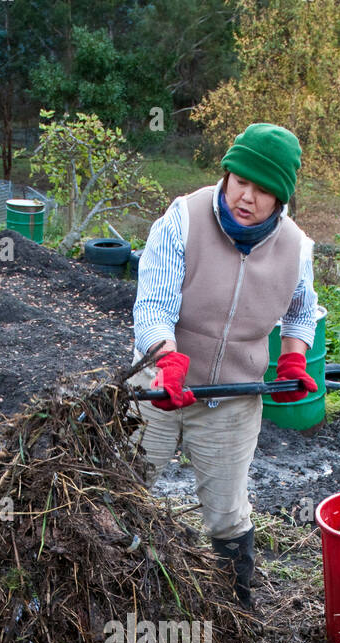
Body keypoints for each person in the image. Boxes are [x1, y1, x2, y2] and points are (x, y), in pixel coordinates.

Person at [131, 122, 318, 608]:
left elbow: (302, 311)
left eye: (263, 190)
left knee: (227, 515)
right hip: (159, 385)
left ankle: (235, 609)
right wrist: (166, 361)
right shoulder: (183, 219)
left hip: (233, 396)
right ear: (227, 174)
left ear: (281, 199)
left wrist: (293, 357)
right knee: (124, 489)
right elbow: (153, 305)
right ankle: (110, 588)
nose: (246, 197)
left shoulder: (296, 247)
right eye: (240, 181)